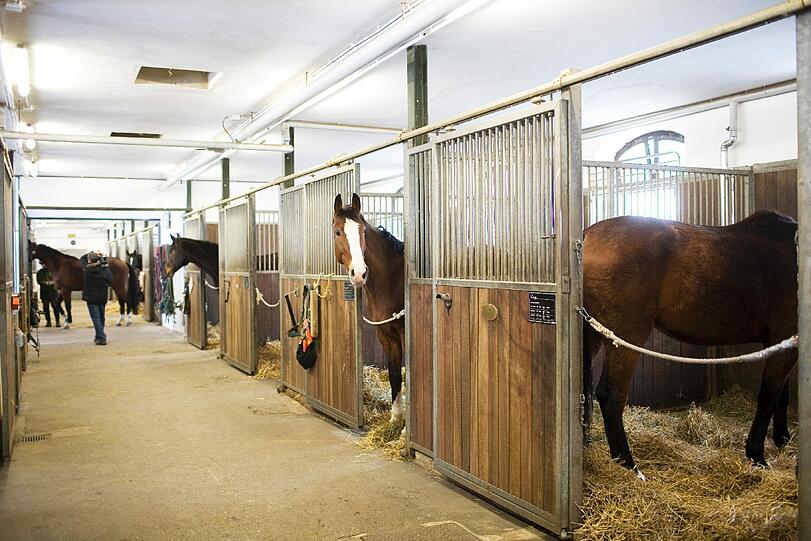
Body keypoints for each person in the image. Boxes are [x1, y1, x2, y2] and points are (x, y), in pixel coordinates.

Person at [80, 251, 112, 345]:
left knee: (96, 318)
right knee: (101, 317)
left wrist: (91, 253)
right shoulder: (105, 271)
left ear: (89, 260)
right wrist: (102, 260)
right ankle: (99, 336)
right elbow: (110, 280)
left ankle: (101, 337)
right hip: (102, 297)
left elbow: (82, 259)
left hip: (91, 298)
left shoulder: (86, 271)